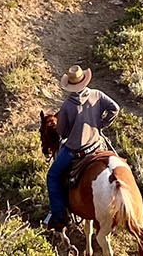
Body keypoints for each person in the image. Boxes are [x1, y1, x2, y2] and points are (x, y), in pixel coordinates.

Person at [44, 64, 122, 230]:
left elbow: (62, 133)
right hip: (96, 145)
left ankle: (59, 216)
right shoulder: (97, 95)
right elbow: (114, 108)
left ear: (70, 85)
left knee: (52, 176)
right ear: (84, 80)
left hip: (74, 151)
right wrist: (100, 124)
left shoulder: (67, 106)